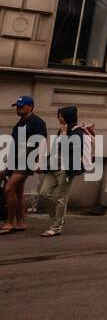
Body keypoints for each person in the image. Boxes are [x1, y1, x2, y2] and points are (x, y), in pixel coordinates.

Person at [37, 106, 91, 236]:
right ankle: (58, 219)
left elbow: (71, 148)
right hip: (53, 167)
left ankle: (56, 227)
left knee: (61, 198)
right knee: (44, 193)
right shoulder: (61, 129)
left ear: (67, 117)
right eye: (59, 115)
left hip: (65, 169)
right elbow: (55, 149)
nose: (59, 118)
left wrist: (66, 134)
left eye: (61, 115)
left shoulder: (76, 131)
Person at [2, 96, 48, 235]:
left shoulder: (37, 122)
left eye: (21, 106)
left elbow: (42, 141)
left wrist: (40, 161)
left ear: (31, 106)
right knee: (18, 192)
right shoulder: (20, 123)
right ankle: (21, 222)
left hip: (26, 161)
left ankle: (10, 222)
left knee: (8, 188)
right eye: (17, 106)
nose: (18, 109)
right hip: (15, 160)